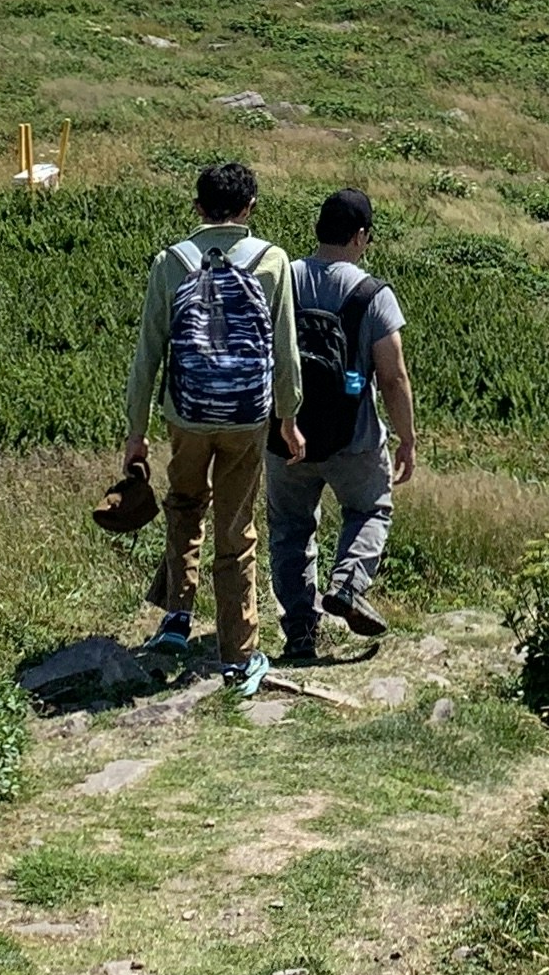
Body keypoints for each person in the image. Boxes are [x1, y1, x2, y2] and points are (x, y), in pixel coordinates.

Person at [119, 156, 302, 694]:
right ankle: (238, 654)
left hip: (187, 413)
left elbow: (148, 352)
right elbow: (285, 352)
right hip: (247, 418)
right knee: (236, 527)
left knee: (183, 505)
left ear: (198, 207)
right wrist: (288, 420)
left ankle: (177, 617)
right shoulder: (272, 261)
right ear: (249, 208)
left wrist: (137, 430)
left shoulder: (171, 261)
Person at [272, 187, 415, 664]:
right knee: (371, 510)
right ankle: (349, 586)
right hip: (353, 437)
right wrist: (407, 439)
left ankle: (298, 633)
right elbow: (393, 377)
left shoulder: (283, 279)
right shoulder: (373, 294)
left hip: (286, 434)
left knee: (290, 528)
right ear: (360, 237)